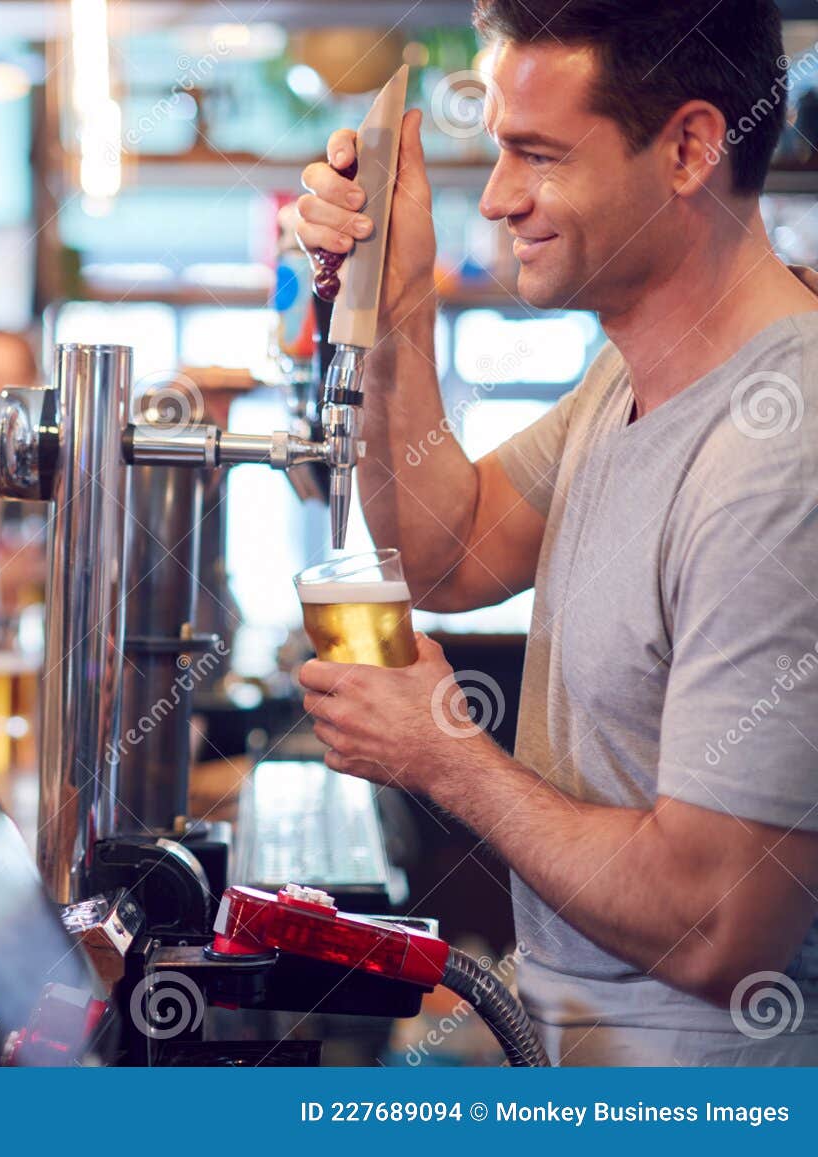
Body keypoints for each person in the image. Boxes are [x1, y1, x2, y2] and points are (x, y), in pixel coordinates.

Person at [293, 0, 818, 1064]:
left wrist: (447, 756)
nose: (497, 197)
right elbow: (448, 550)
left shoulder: (780, 454)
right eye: (498, 152)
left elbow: (718, 921)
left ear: (688, 148)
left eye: (537, 155)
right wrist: (396, 301)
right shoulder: (627, 376)